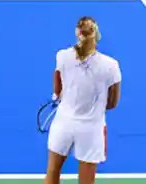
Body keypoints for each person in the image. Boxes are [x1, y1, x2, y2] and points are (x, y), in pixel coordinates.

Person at [44, 16, 121, 184]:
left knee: (52, 172)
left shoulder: (62, 56)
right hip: (91, 130)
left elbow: (57, 90)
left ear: (77, 33)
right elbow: (112, 103)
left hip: (63, 124)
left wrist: (63, 97)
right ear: (96, 35)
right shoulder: (111, 65)